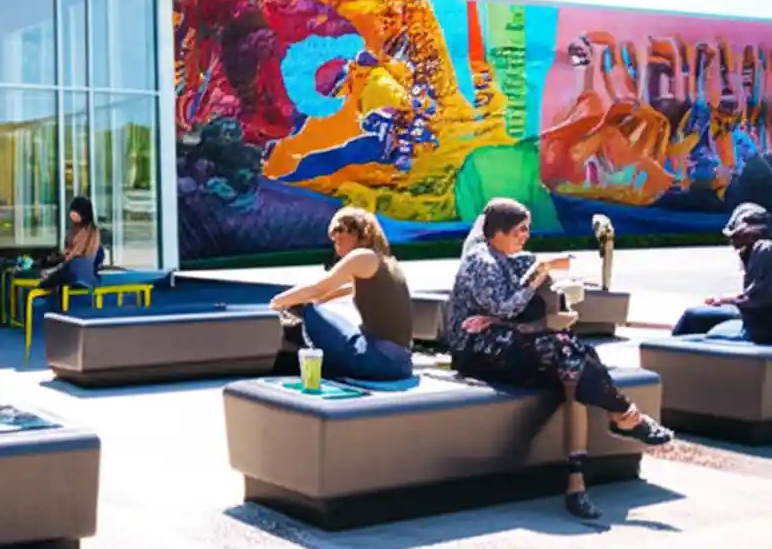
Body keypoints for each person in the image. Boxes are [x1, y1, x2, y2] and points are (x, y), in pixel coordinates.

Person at [448, 198, 673, 520]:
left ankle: (581, 476)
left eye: (527, 229)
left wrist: (540, 295)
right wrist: (539, 273)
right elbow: (505, 306)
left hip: (504, 343)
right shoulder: (480, 259)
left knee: (572, 354)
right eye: (518, 230)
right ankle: (625, 415)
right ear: (496, 232)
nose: (525, 236)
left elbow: (518, 314)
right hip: (476, 351)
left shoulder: (508, 258)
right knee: (566, 353)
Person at [268, 207, 413, 382]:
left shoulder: (362, 257)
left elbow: (318, 288)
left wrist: (277, 302)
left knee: (306, 308)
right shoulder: (385, 262)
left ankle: (297, 361)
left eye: (340, 231)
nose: (335, 238)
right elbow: (336, 292)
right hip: (400, 363)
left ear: (361, 234)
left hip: (379, 361)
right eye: (333, 234)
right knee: (315, 307)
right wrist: (316, 300)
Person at [672, 202, 772, 343]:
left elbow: (759, 301)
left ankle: (673, 360)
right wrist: (726, 301)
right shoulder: (760, 250)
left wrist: (728, 301)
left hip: (761, 331)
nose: (734, 243)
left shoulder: (764, 250)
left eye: (735, 237)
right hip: (760, 323)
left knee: (692, 317)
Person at [38, 196, 102, 292]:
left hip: (73, 272)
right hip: (86, 275)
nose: (71, 215)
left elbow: (71, 254)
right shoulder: (91, 230)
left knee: (44, 283)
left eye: (75, 212)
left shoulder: (83, 232)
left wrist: (53, 261)